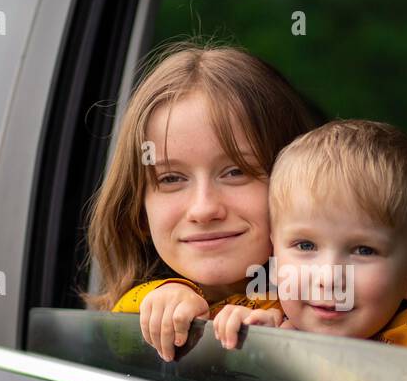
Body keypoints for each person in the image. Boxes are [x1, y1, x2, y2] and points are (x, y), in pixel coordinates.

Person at [84, 40, 316, 360]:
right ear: (138, 212)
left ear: (302, 185)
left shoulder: (356, 303)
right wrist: (162, 299)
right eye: (171, 179)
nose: (204, 209)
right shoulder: (133, 313)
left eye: (236, 171)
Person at [212, 118, 407, 353]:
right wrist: (251, 344)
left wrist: (300, 358)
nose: (328, 279)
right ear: (274, 253)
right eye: (305, 246)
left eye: (363, 250)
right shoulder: (259, 310)